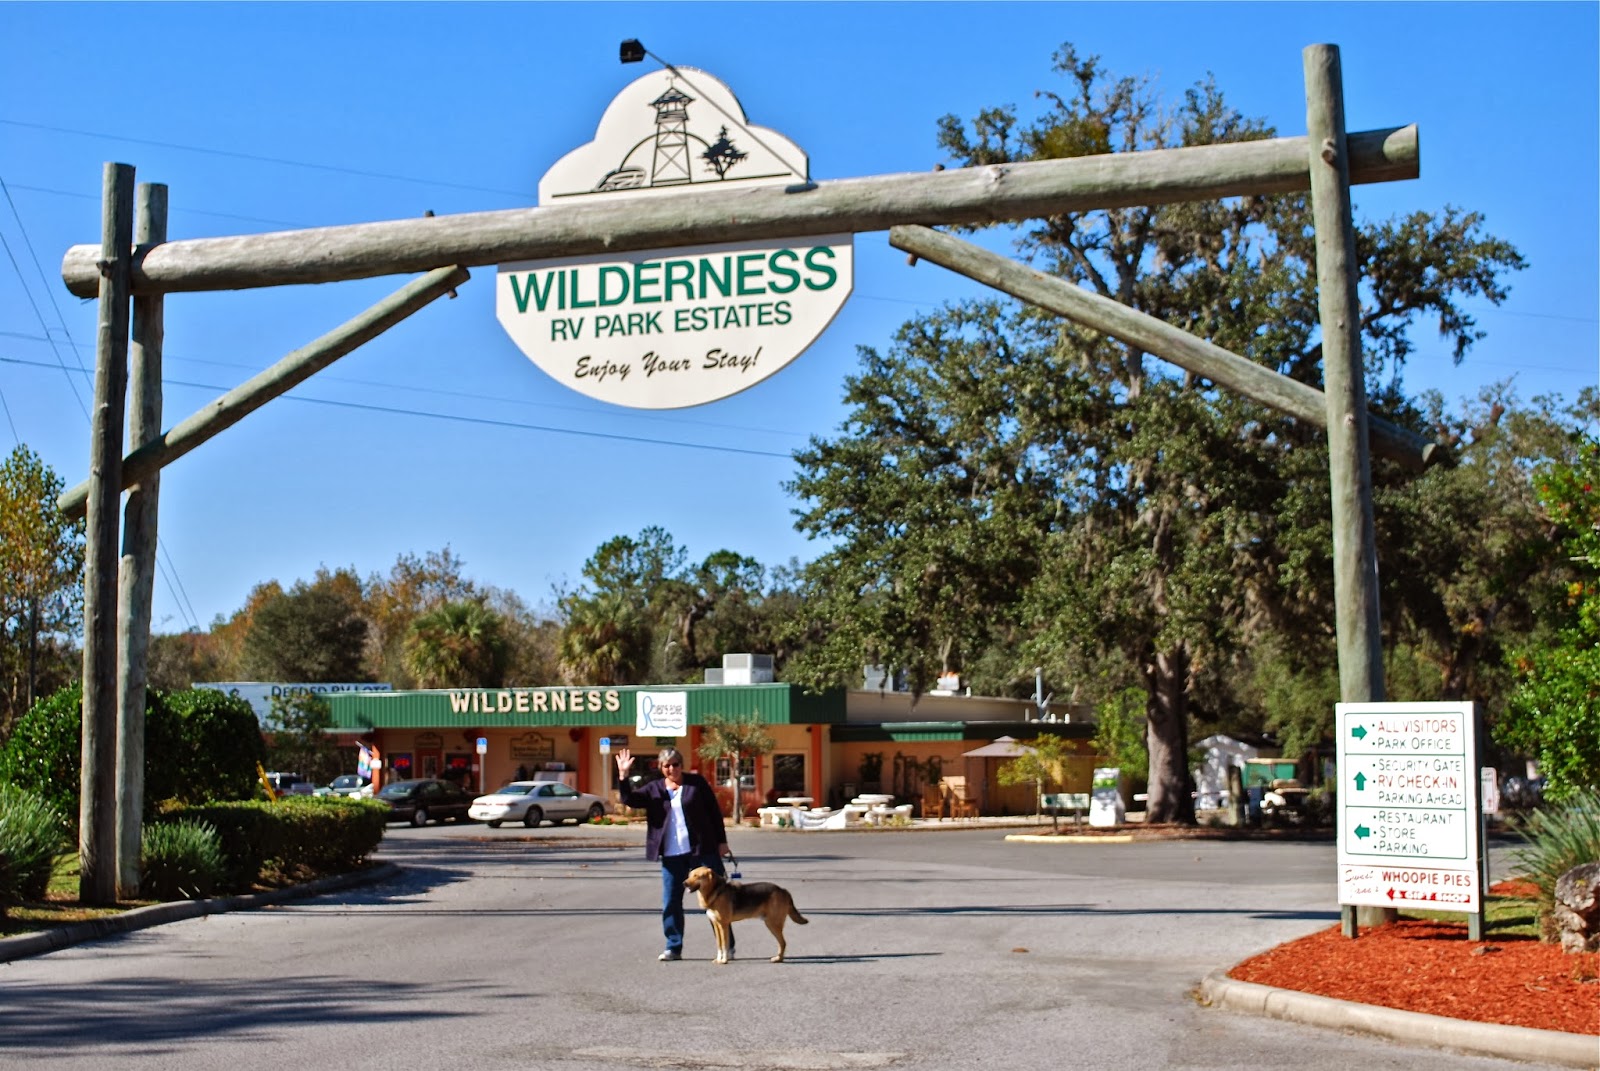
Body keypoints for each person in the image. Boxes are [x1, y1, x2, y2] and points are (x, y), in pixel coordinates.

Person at [613, 746, 733, 961]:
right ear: (661, 768)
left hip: (702, 851)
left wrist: (722, 842)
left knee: (718, 899)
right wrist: (623, 775)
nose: (671, 769)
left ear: (681, 765)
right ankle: (673, 947)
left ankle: (726, 946)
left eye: (675, 764)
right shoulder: (654, 789)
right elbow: (629, 799)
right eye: (666, 766)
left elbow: (714, 813)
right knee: (671, 901)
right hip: (672, 855)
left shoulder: (696, 784)